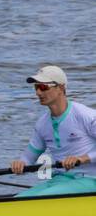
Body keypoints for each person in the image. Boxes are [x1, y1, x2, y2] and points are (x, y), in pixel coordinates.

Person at [9, 66, 96, 196]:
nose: (38, 93)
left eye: (43, 87)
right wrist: (20, 164)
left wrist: (82, 158)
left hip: (89, 179)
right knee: (18, 199)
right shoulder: (42, 124)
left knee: (36, 200)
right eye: (36, 87)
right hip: (59, 180)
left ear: (60, 88)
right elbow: (28, 158)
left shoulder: (85, 115)